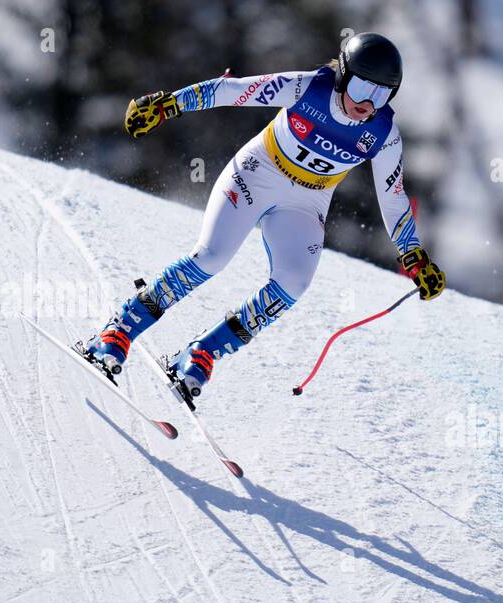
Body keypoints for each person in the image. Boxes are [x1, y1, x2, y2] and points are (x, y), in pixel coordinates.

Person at [81, 32, 445, 401]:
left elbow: (393, 196)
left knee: (293, 284)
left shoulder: (384, 134)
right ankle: (119, 331)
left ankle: (202, 352)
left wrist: (413, 255)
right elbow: (232, 91)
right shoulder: (307, 88)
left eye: (382, 94)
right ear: (344, 74)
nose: (369, 103)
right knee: (212, 256)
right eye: (364, 88)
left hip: (308, 201)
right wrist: (167, 105)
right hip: (258, 172)